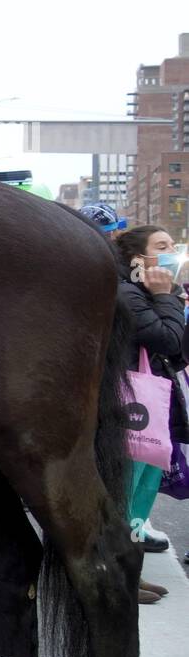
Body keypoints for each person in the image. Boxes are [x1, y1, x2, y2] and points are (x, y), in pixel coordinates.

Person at [114, 224, 188, 602]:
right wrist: (167, 298)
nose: (171, 252)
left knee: (141, 499)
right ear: (136, 259)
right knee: (123, 497)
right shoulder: (127, 293)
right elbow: (167, 338)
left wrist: (169, 297)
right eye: (162, 246)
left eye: (172, 245)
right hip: (130, 410)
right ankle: (116, 575)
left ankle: (131, 570)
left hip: (153, 411)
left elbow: (179, 351)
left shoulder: (154, 293)